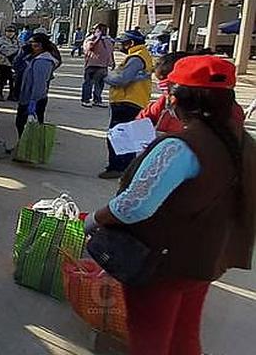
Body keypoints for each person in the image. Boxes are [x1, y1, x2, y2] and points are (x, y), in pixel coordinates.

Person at [84, 55, 256, 355]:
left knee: (150, 340)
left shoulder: (180, 147)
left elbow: (133, 207)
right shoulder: (243, 142)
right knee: (183, 336)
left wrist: (96, 219)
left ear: (177, 98)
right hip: (206, 259)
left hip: (162, 263)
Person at [99, 30, 154, 179]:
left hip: (127, 101)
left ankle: (117, 167)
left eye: (123, 43)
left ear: (131, 43)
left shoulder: (136, 58)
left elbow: (121, 79)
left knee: (118, 136)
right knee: (128, 137)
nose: (120, 46)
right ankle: (126, 167)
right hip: (133, 100)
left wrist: (106, 76)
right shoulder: (142, 56)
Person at [15, 33, 59, 137]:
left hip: (34, 98)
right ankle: (23, 146)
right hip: (26, 96)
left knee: (31, 126)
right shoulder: (31, 57)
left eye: (36, 46)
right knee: (22, 124)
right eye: (31, 45)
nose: (33, 48)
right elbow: (16, 65)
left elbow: (39, 83)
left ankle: (30, 149)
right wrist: (22, 52)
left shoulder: (43, 61)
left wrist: (33, 102)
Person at [81, 23, 114, 108]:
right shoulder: (90, 39)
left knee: (99, 84)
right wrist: (97, 38)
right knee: (88, 83)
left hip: (103, 66)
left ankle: (97, 100)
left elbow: (110, 51)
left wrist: (112, 61)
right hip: (92, 65)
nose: (104, 32)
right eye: (101, 30)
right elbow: (90, 47)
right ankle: (86, 100)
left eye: (105, 30)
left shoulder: (108, 40)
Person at [0, 26, 19, 101]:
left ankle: (11, 94)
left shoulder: (17, 41)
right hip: (3, 62)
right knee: (1, 79)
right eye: (8, 31)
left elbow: (20, 50)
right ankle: (0, 94)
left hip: (13, 64)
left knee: (12, 79)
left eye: (12, 31)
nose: (10, 33)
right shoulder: (0, 40)